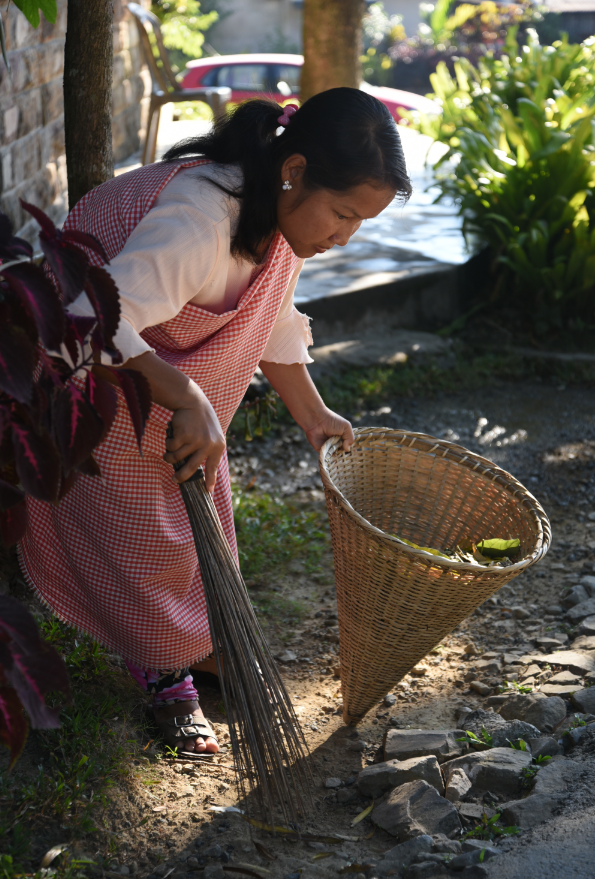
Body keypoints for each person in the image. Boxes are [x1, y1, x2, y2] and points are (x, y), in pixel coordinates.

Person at [19, 88, 412, 754]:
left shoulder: (282, 225)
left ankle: (192, 645)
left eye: (358, 225)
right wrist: (186, 395)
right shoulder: (200, 220)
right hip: (87, 377)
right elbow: (90, 320)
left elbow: (272, 320)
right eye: (342, 214)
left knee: (198, 533)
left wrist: (312, 413)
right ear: (293, 172)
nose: (342, 236)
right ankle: (160, 669)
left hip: (159, 379)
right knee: (142, 539)